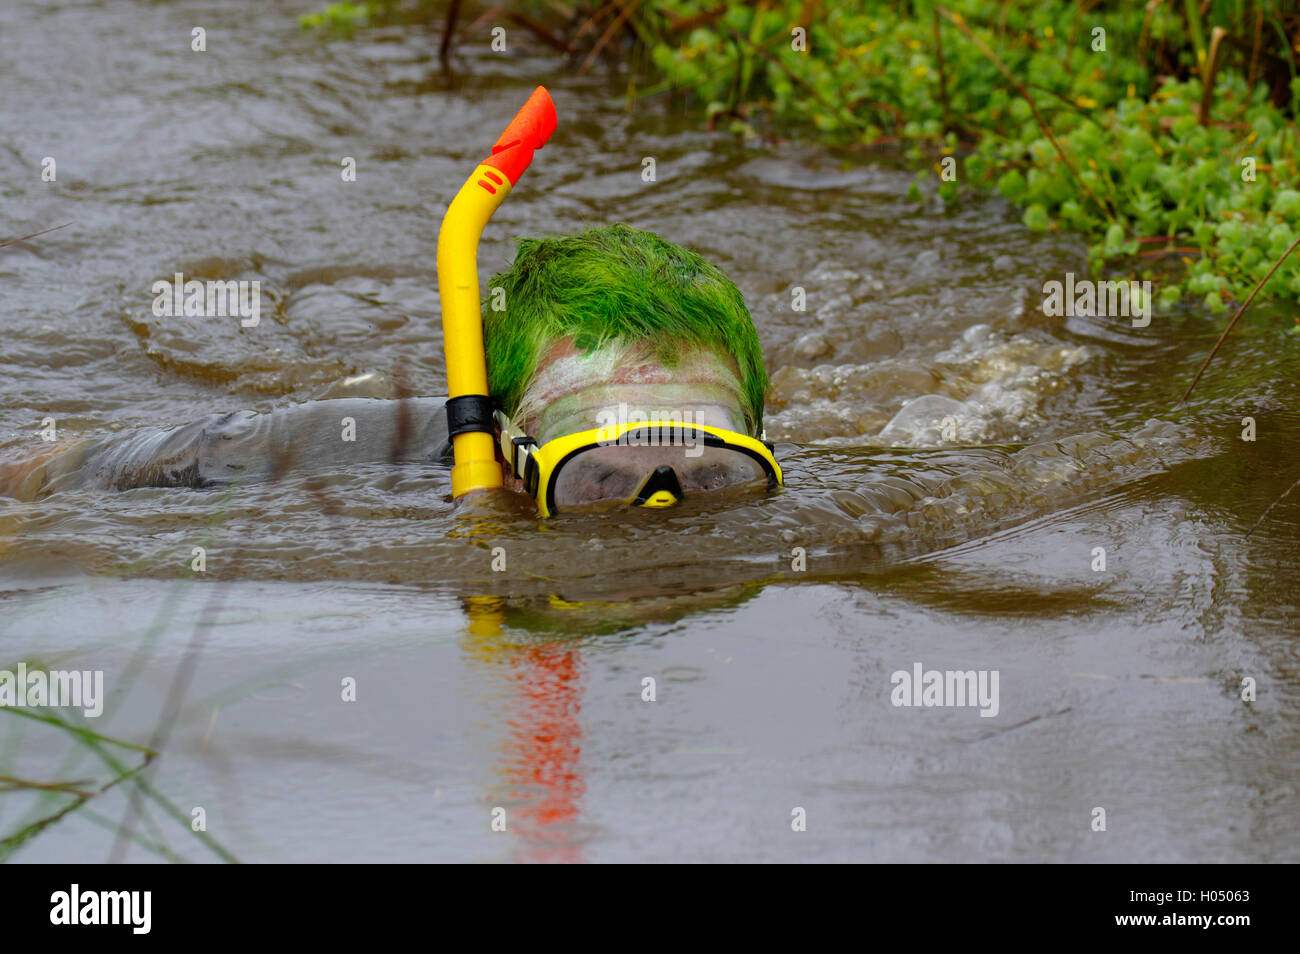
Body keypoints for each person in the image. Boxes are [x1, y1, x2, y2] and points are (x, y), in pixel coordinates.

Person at [0, 225, 782, 514]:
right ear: (508, 457)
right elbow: (74, 468)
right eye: (602, 479)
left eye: (713, 476)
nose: (660, 513)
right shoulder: (339, 449)